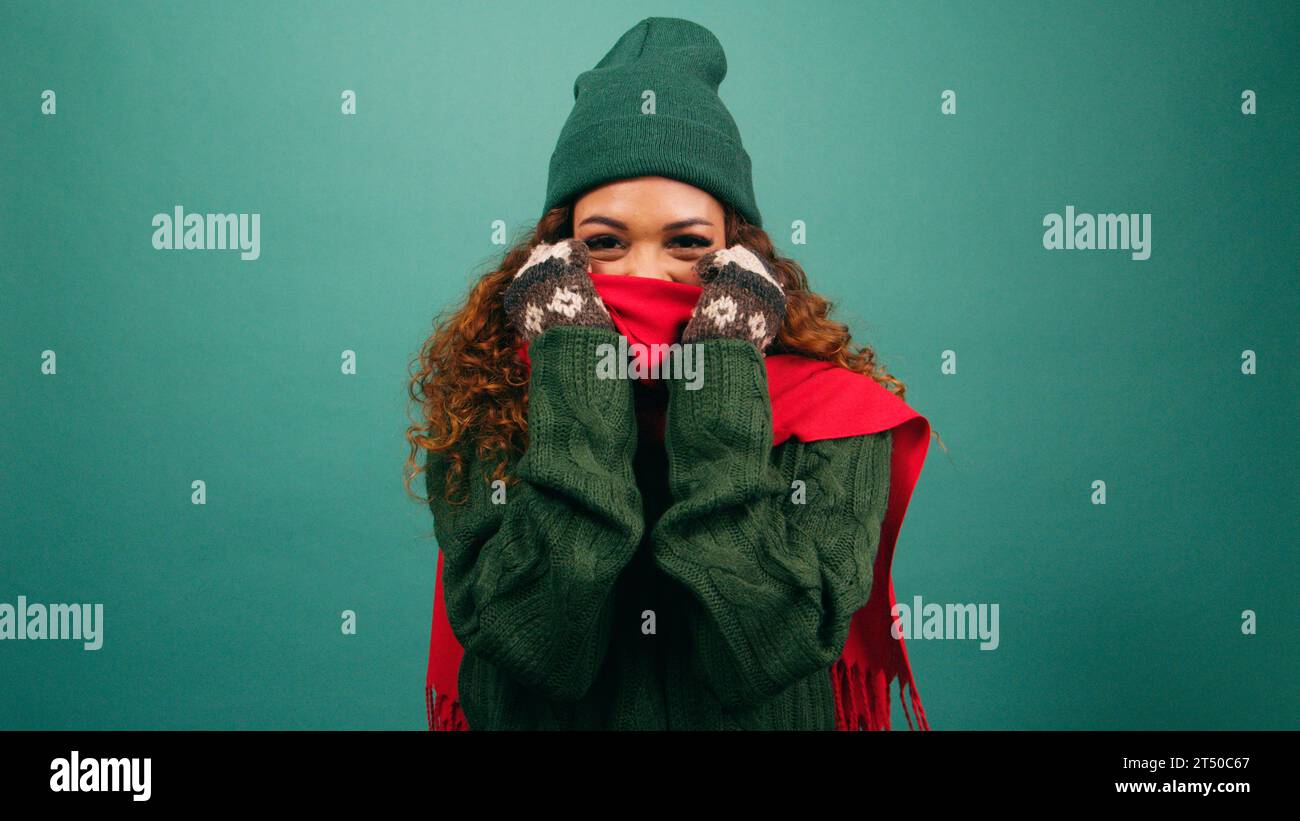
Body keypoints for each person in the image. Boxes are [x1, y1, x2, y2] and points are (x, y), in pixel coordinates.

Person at [405, 16, 938, 730]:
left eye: (687, 243)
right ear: (556, 255)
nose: (644, 273)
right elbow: (539, 646)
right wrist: (578, 370)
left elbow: (763, 651)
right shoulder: (491, 405)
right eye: (605, 244)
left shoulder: (837, 418)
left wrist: (719, 375)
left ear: (740, 257)